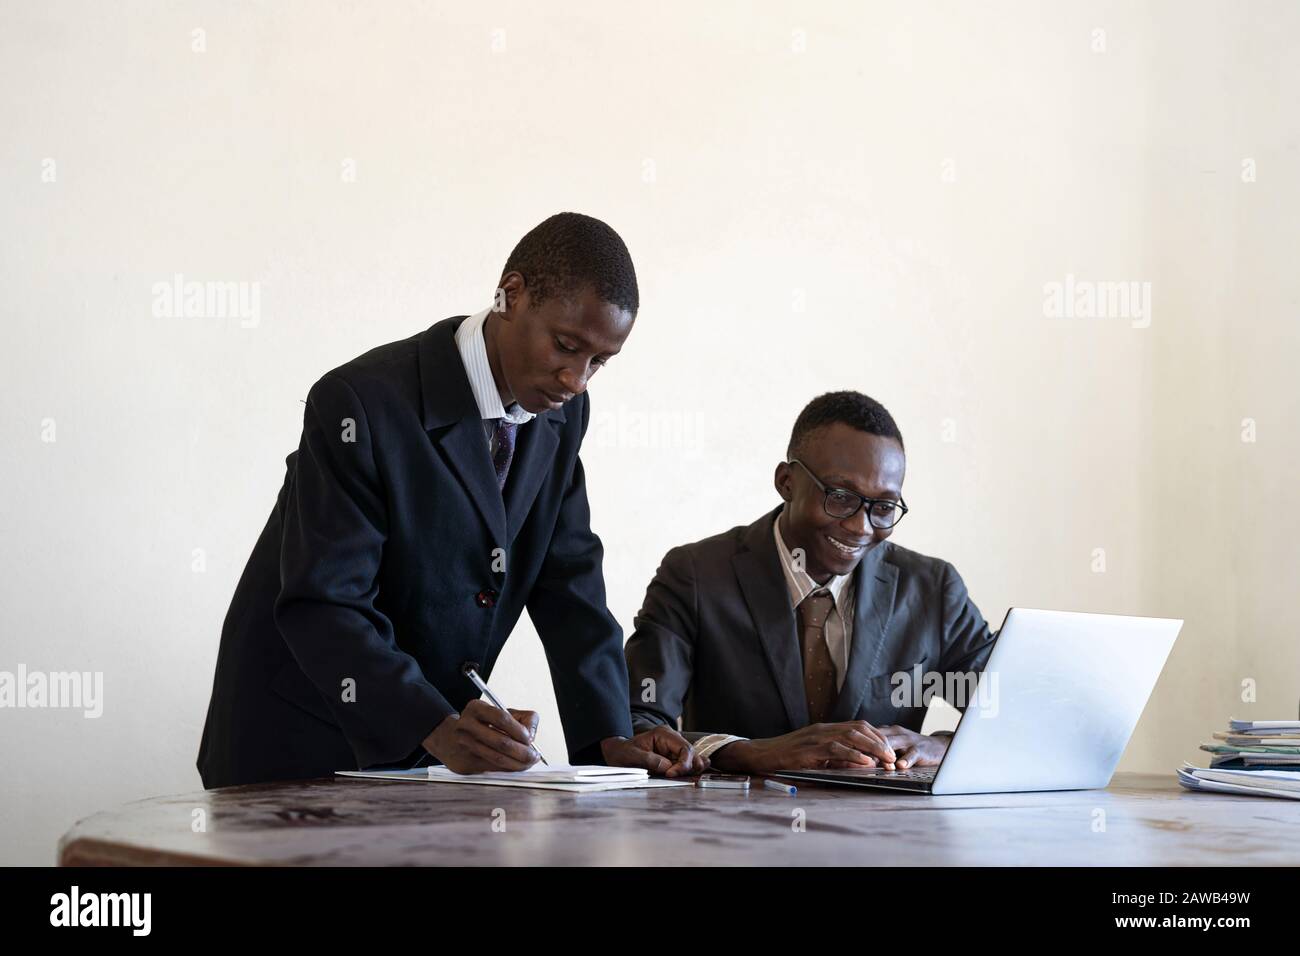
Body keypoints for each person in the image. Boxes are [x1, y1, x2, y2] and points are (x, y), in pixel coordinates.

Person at [199, 212, 703, 788]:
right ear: (511, 295)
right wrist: (431, 722)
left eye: (599, 363)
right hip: (299, 734)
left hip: (426, 750)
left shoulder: (562, 418)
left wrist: (609, 736)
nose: (576, 380)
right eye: (566, 346)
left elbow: (570, 583)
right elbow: (326, 601)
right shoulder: (360, 402)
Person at [625, 391, 996, 774]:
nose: (860, 526)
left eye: (883, 507)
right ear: (786, 481)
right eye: (839, 497)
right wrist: (753, 753)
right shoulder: (696, 576)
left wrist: (941, 745)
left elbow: (1014, 711)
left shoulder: (932, 590)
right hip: (735, 824)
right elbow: (639, 722)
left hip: (882, 826)